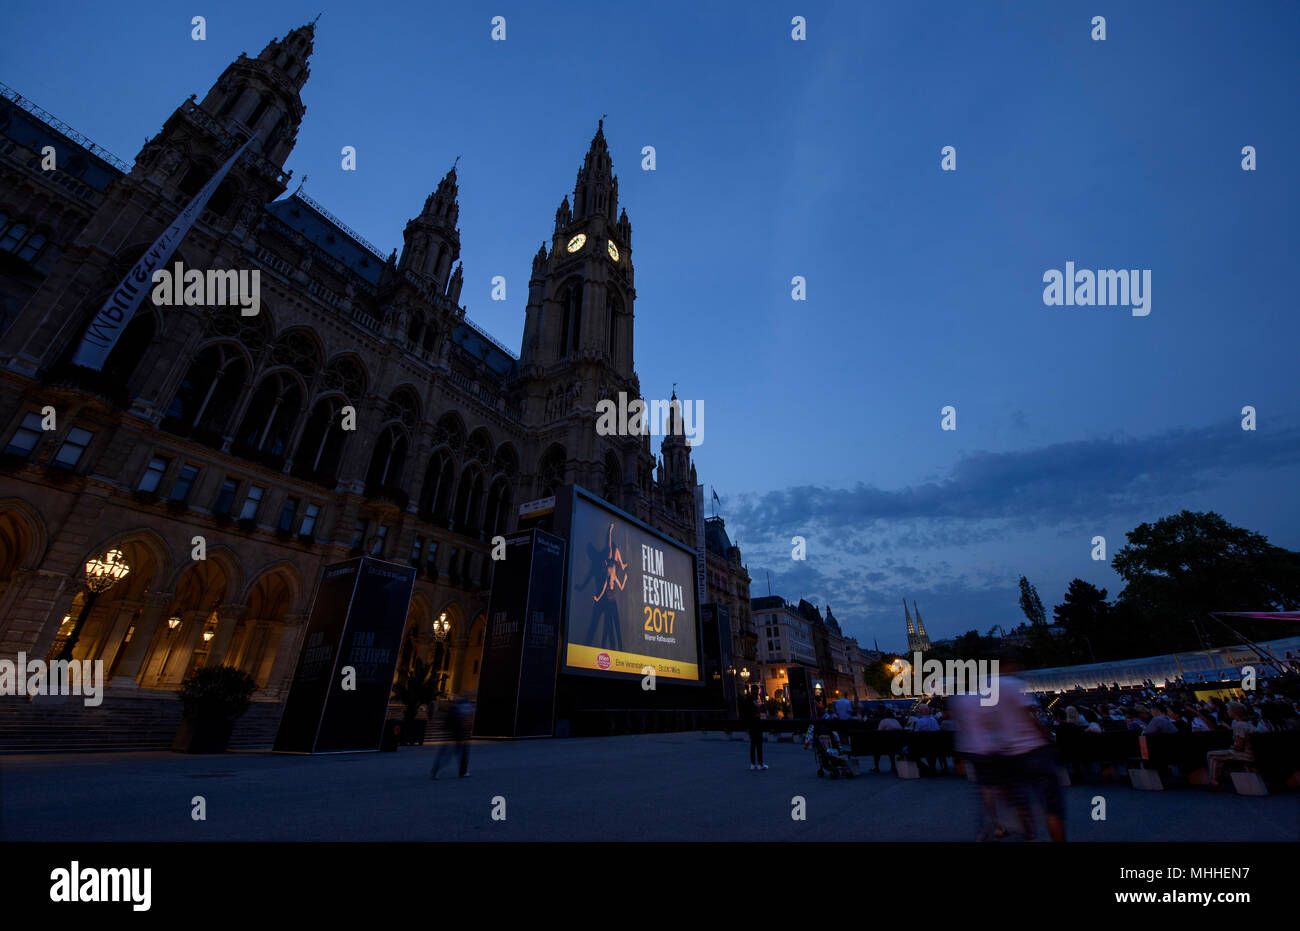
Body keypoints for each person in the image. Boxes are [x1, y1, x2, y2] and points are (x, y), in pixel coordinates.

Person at [1206, 701, 1255, 788]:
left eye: (1229, 710)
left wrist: (1232, 747)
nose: (1227, 711)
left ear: (1234, 712)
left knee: (1211, 755)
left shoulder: (1239, 725)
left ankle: (1213, 781)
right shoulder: (1248, 724)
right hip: (1250, 752)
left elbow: (1239, 746)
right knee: (1220, 755)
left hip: (1244, 754)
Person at [430, 693, 474, 780]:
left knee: (446, 755)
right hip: (458, 735)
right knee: (458, 754)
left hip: (451, 735)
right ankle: (462, 772)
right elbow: (465, 720)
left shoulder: (454, 708)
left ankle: (435, 771)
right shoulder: (464, 707)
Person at [740, 691, 767, 771]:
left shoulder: (748, 706)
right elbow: (757, 713)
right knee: (758, 745)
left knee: (753, 744)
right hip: (756, 726)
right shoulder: (754, 705)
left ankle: (753, 764)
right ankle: (760, 764)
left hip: (752, 727)